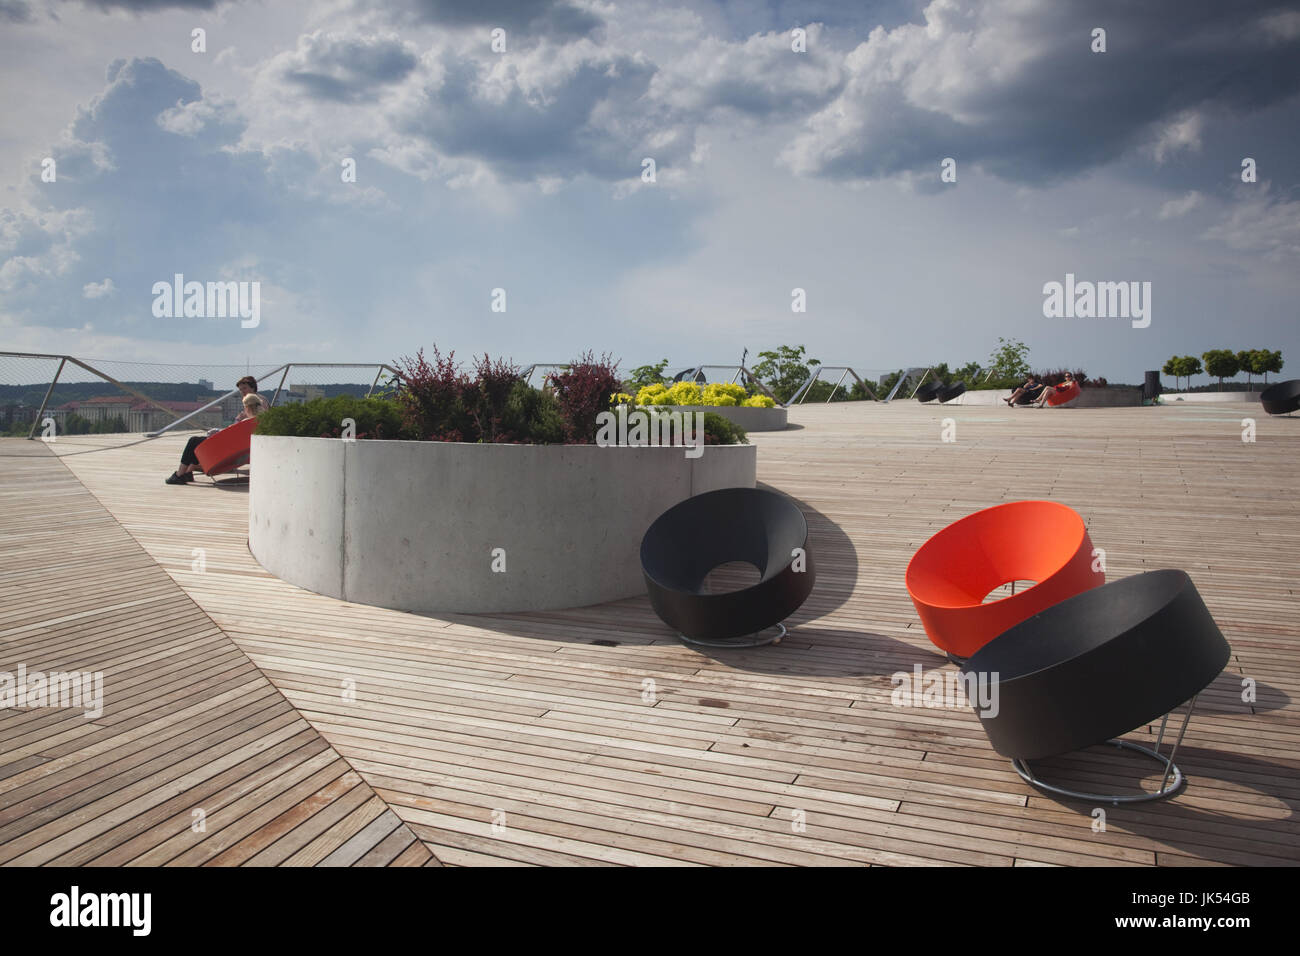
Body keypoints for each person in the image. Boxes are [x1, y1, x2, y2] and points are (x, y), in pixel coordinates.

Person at [165, 383, 266, 485]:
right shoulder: (259, 421)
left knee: (193, 441)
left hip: (225, 450)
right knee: (197, 443)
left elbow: (231, 435)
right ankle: (187, 473)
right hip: (238, 452)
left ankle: (179, 474)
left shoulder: (246, 422)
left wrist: (216, 433)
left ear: (247, 408)